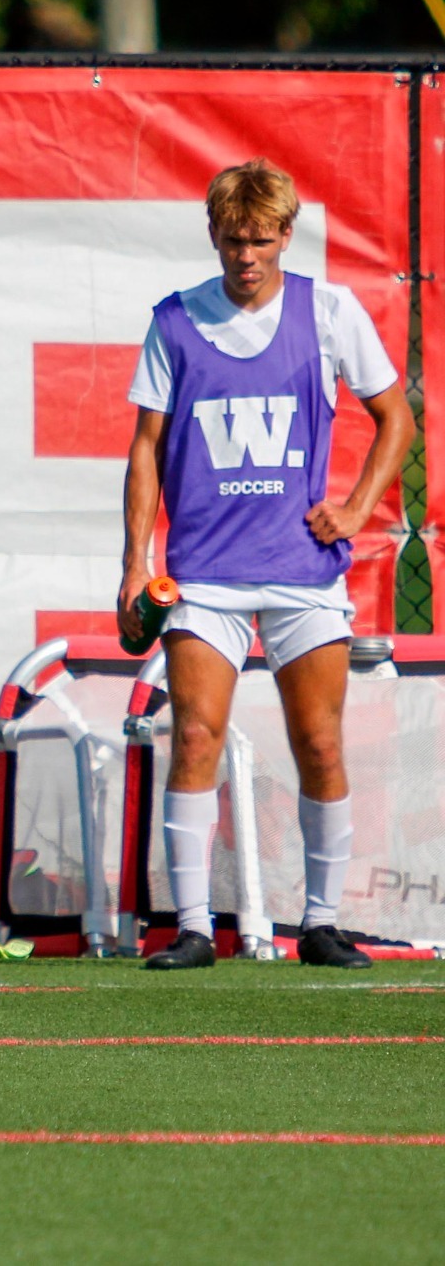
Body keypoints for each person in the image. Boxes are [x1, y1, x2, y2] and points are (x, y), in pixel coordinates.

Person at [123, 158, 412, 971]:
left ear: (286, 235)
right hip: (204, 573)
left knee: (319, 741)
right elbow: (144, 448)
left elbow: (396, 417)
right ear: (212, 235)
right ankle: (188, 925)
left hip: (301, 567)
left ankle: (322, 921)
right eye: (231, 239)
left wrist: (356, 510)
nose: (245, 254)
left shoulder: (328, 311)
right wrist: (132, 562)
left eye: (260, 239)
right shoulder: (176, 321)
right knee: (195, 735)